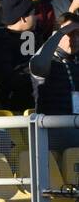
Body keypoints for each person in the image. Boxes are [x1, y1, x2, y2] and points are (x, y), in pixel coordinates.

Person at [30, 12, 79, 150]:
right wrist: (61, 32)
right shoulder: (45, 60)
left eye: (78, 34)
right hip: (52, 126)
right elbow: (39, 65)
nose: (74, 39)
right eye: (69, 34)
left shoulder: (76, 60)